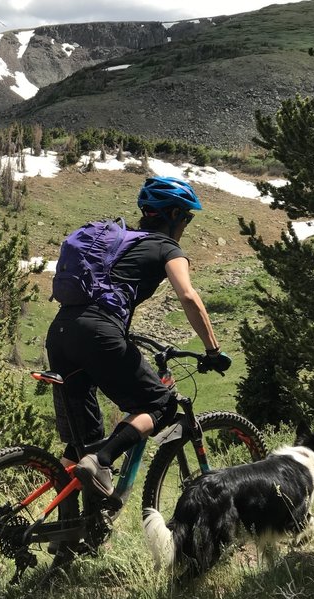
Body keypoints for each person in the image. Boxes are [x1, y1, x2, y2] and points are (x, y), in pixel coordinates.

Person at [45, 176, 231, 498]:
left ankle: (64, 523)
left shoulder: (122, 240)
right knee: (161, 404)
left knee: (82, 444)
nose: (186, 225)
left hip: (61, 331)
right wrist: (213, 350)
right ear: (174, 214)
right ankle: (102, 461)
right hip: (98, 332)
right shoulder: (167, 247)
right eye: (187, 217)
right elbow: (188, 296)